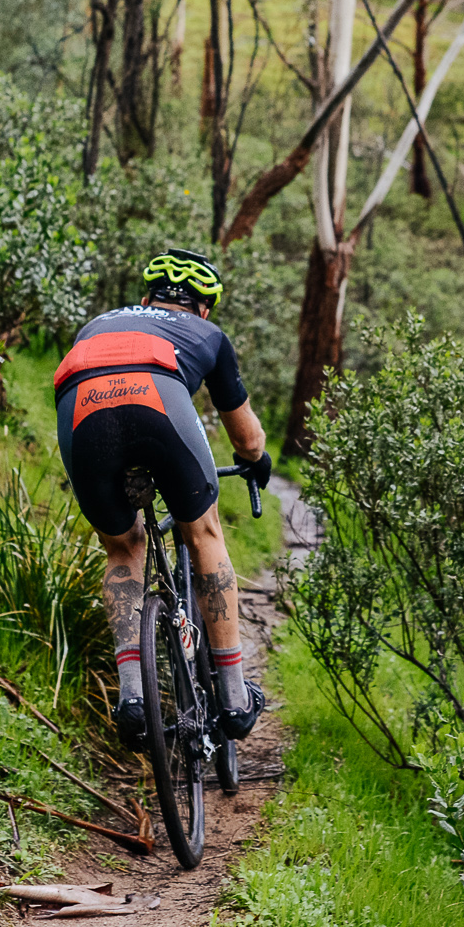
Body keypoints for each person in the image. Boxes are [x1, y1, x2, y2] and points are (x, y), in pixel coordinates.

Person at [52, 249, 271, 750]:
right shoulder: (208, 335)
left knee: (123, 547)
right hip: (156, 396)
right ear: (205, 308)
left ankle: (132, 696)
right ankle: (235, 699)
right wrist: (257, 462)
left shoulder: (97, 324)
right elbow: (248, 439)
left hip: (82, 404)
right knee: (204, 533)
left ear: (145, 299)